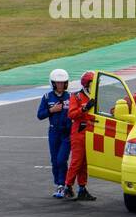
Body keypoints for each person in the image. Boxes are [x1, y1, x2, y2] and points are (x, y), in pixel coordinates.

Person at [36, 68, 72, 199]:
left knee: (62, 159)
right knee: (55, 161)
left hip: (67, 133)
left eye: (63, 83)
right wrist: (52, 110)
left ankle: (64, 184)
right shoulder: (47, 97)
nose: (61, 85)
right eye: (58, 83)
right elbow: (40, 115)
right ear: (53, 83)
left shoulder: (71, 97)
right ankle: (59, 184)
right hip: (54, 132)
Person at [65, 71, 98, 201]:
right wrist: (84, 109)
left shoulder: (96, 96)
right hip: (79, 132)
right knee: (77, 161)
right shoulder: (76, 96)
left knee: (85, 162)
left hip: (91, 132)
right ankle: (68, 186)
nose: (94, 86)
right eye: (92, 83)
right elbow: (71, 114)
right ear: (86, 84)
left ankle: (82, 188)